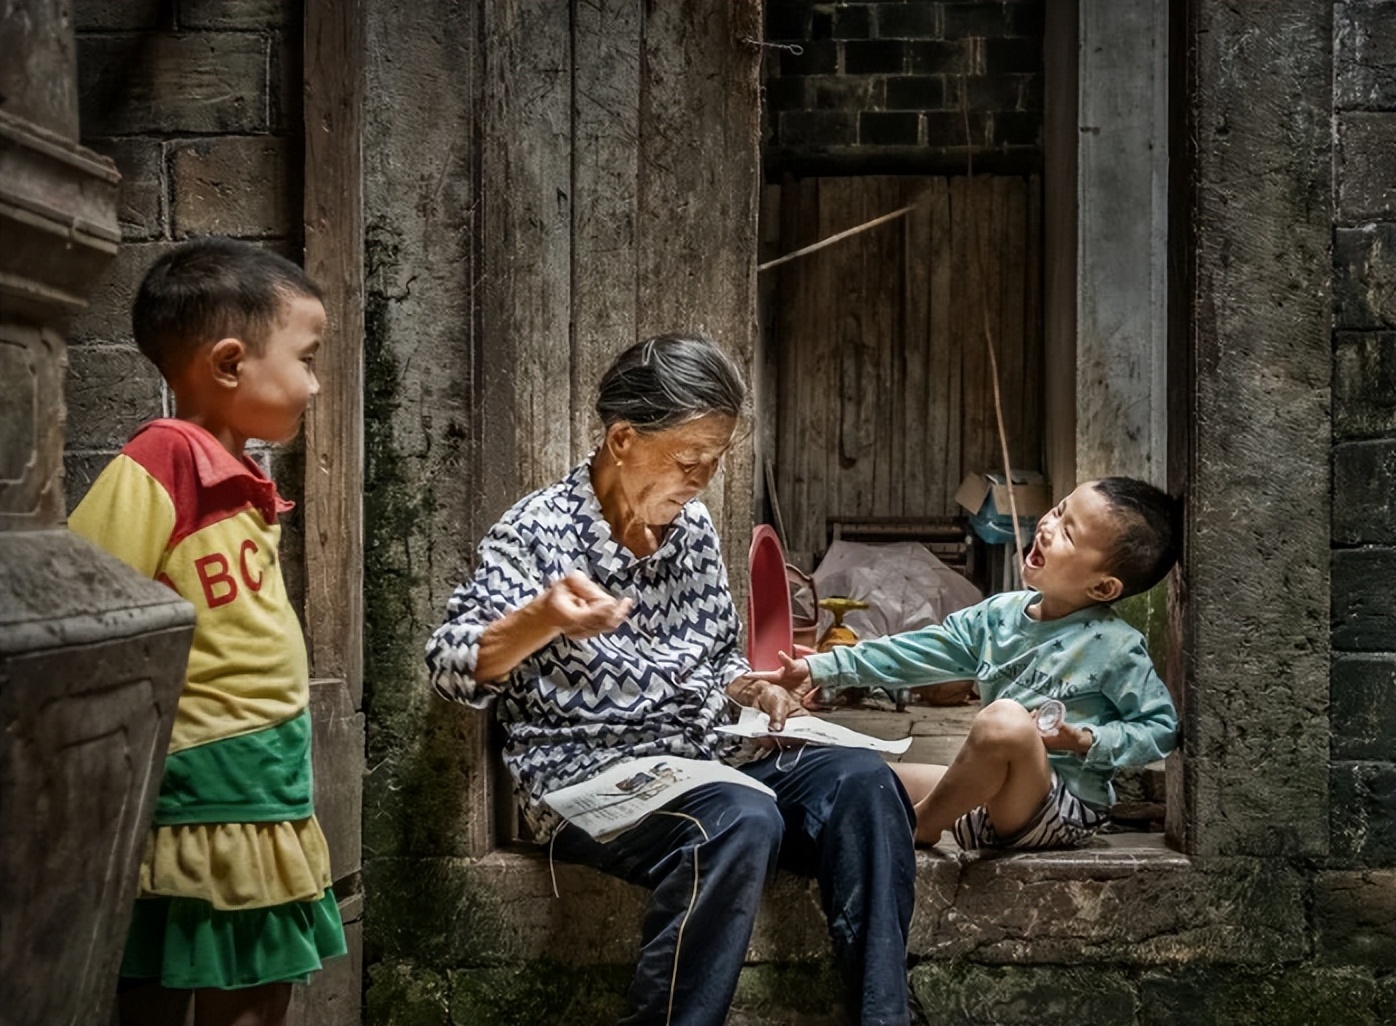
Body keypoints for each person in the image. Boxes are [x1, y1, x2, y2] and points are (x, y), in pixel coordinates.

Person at [425, 332, 916, 1026]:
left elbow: (717, 658)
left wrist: (752, 689)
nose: (702, 479)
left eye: (715, 461)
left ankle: (883, 1017)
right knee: (738, 819)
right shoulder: (537, 532)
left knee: (864, 783)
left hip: (707, 758)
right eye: (689, 461)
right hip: (592, 778)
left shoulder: (692, 529)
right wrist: (542, 617)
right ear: (623, 439)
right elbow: (448, 665)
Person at [68, 237, 347, 1026]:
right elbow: (86, 597)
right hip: (208, 778)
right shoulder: (164, 460)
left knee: (246, 983)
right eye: (306, 358)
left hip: (262, 770)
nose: (313, 383)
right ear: (229, 363)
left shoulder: (235, 476)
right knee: (237, 990)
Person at [756, 477, 1180, 852]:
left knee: (1005, 722)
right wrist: (820, 668)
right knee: (864, 775)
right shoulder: (999, 616)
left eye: (1068, 533)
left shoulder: (1116, 646)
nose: (1047, 527)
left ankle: (923, 825)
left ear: (1103, 587)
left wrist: (1085, 739)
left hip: (1061, 810)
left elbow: (1160, 728)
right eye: (1058, 510)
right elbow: (917, 651)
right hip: (994, 797)